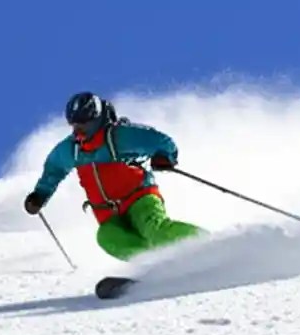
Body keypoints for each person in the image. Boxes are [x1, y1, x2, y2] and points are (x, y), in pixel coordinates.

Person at [23, 92, 204, 260]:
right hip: (107, 211)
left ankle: (206, 245)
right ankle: (155, 263)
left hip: (138, 198)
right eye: (75, 125)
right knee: (107, 238)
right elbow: (54, 170)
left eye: (84, 125)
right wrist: (40, 195)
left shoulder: (118, 136)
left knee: (154, 229)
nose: (79, 131)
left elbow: (162, 141)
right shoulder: (72, 149)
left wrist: (165, 156)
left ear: (96, 119)